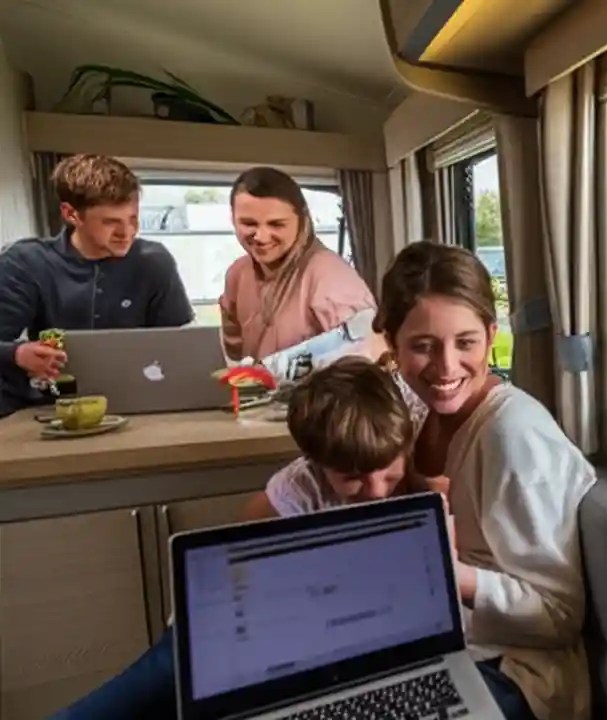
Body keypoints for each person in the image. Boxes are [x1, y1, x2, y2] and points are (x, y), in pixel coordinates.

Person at [51, 356, 538, 720]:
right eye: (350, 478)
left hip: (386, 644)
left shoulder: (426, 484)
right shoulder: (296, 490)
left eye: (386, 474)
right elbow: (226, 572)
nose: (373, 491)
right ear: (316, 464)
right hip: (294, 637)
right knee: (170, 666)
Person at [375, 241, 596, 720]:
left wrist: (450, 576)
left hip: (518, 669)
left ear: (492, 336)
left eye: (466, 342)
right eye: (423, 346)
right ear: (391, 343)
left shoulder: (512, 436)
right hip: (428, 635)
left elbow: (559, 616)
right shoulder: (415, 412)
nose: (446, 368)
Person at [0, 154, 194, 417]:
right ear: (71, 214)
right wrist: (16, 354)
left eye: (133, 219)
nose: (127, 233)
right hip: (48, 408)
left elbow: (179, 348)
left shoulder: (155, 262)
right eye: (110, 222)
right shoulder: (25, 262)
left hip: (139, 406)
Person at [219, 166, 378, 364]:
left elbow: (366, 356)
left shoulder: (331, 276)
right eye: (249, 224)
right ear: (232, 218)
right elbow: (234, 352)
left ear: (303, 220)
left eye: (276, 224)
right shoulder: (237, 273)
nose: (261, 237)